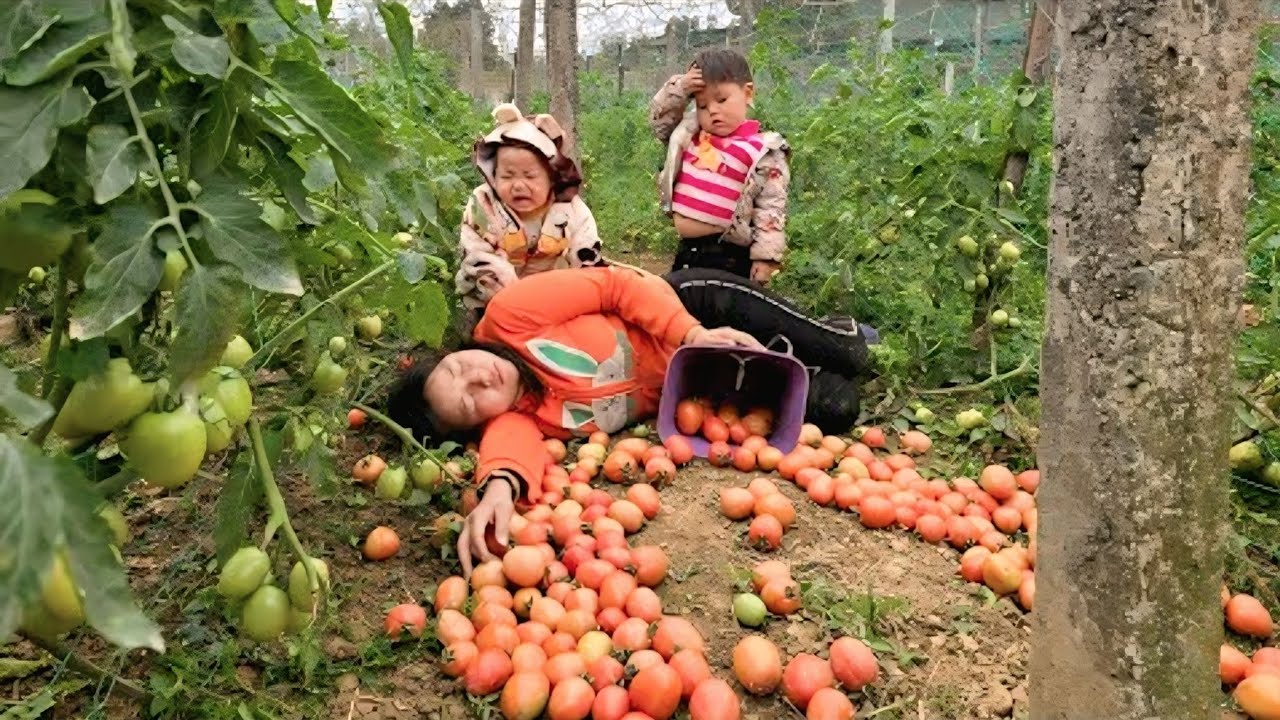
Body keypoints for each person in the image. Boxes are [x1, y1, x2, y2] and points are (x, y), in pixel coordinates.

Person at [385, 266, 869, 575]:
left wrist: (693, 333)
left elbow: (615, 285)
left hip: (694, 308)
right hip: (700, 383)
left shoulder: (511, 315)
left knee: (845, 352)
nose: (478, 378)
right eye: (469, 402)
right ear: (476, 426)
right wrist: (498, 489)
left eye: (456, 367)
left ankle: (844, 332)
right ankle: (800, 357)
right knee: (839, 407)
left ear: (455, 350)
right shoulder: (518, 418)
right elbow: (509, 452)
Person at [455, 103, 605, 336]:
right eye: (508, 175)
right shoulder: (483, 206)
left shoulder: (572, 211)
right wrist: (511, 295)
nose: (518, 185)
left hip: (554, 298)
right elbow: (478, 258)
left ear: (553, 178)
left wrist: (584, 295)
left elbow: (588, 260)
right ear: (493, 176)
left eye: (530, 176)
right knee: (489, 337)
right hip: (494, 298)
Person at [650, 48, 790, 284]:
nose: (712, 110)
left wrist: (766, 258)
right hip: (687, 250)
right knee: (682, 309)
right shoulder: (689, 134)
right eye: (702, 105)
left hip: (729, 256)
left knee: (725, 314)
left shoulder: (762, 150)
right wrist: (680, 87)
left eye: (722, 99)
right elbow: (659, 121)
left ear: (748, 93)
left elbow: (771, 208)